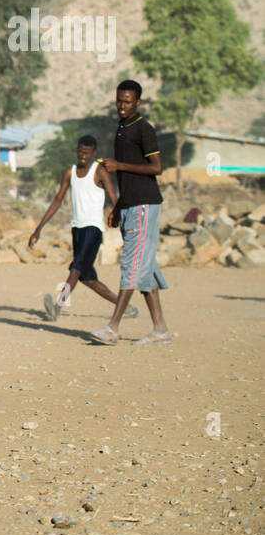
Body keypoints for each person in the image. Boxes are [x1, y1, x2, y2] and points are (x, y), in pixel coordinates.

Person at [91, 80, 171, 345]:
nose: (122, 106)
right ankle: (160, 329)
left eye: (127, 102)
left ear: (138, 102)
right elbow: (126, 176)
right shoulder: (122, 129)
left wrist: (118, 165)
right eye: (119, 101)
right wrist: (117, 206)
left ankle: (112, 327)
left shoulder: (143, 129)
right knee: (143, 268)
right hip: (130, 206)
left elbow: (156, 167)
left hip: (145, 205)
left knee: (132, 266)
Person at [29, 135, 137, 321]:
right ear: (76, 150)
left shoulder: (99, 171)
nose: (83, 156)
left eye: (87, 153)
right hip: (77, 228)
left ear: (94, 153)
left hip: (93, 228)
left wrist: (121, 219)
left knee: (76, 267)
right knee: (88, 278)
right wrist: (39, 228)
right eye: (80, 152)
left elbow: (114, 197)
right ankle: (125, 306)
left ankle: (57, 307)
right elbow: (57, 200)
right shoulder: (69, 172)